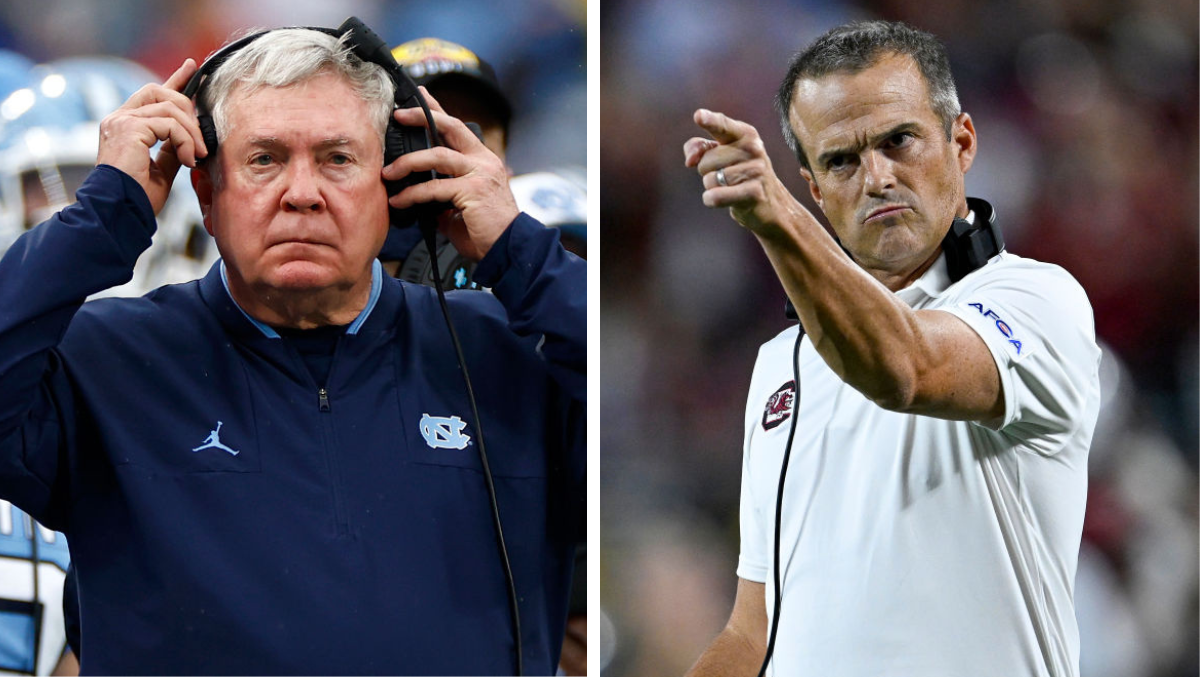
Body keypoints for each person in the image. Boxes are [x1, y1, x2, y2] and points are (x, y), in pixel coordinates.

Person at [0, 24, 584, 676]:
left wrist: (519, 250)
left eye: (337, 159)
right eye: (264, 159)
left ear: (394, 188)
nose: (302, 193)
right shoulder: (103, 359)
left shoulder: (510, 353)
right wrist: (103, 215)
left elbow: (634, 416)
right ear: (206, 193)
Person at [682, 20, 1099, 677]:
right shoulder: (781, 364)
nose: (876, 178)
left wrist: (779, 219)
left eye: (898, 141)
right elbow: (753, 631)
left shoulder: (1038, 300)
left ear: (962, 142)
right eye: (841, 161)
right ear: (816, 189)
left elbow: (906, 368)